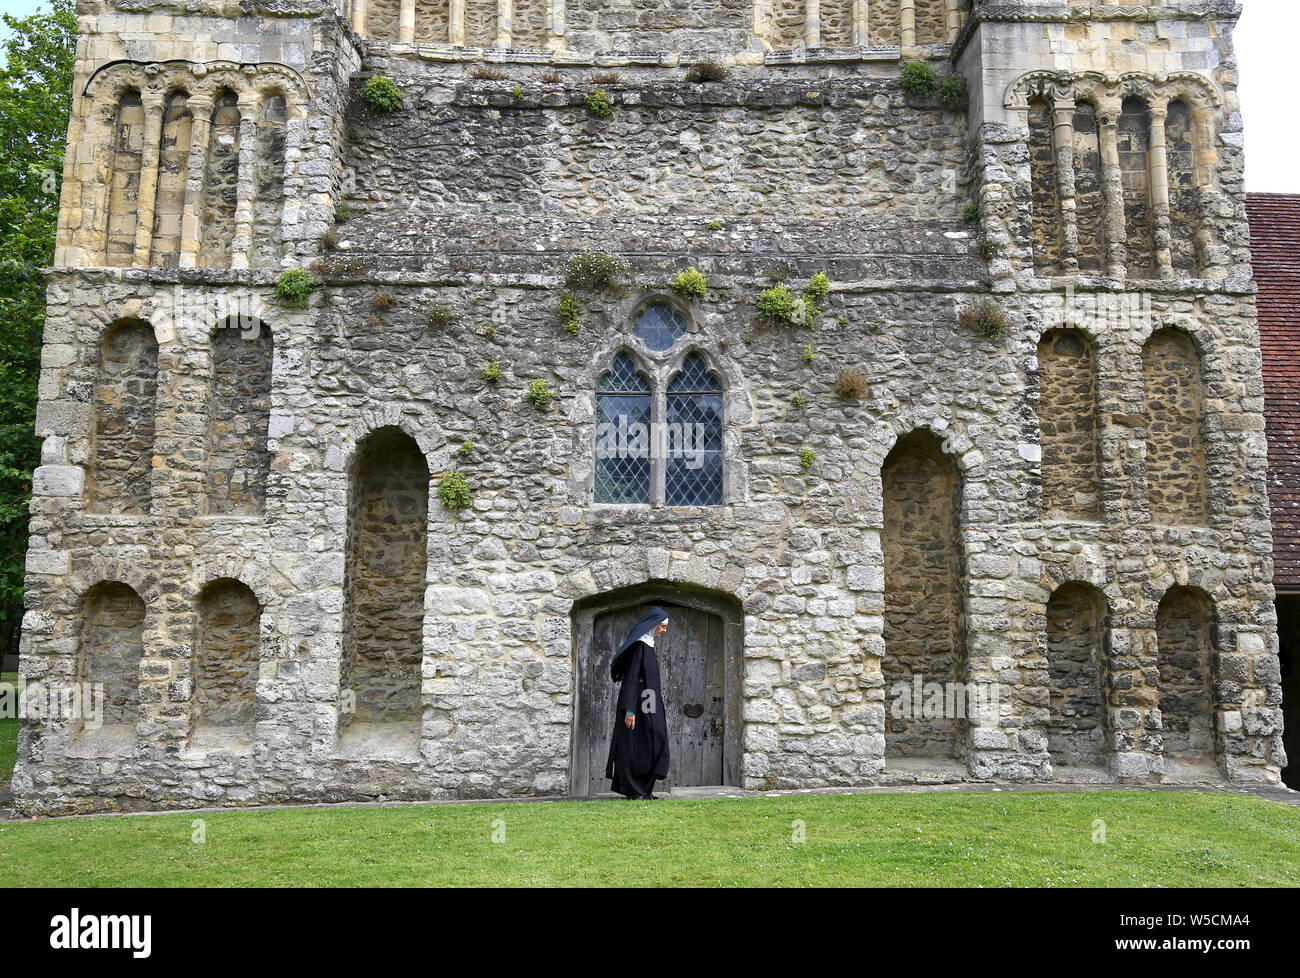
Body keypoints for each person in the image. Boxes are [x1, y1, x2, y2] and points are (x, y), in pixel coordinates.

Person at [605, 607, 670, 800]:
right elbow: (631, 680)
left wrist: (650, 709)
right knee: (634, 745)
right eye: (662, 626)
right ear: (652, 625)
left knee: (654, 739)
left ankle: (645, 789)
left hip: (648, 702)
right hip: (637, 705)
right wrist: (630, 710)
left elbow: (647, 683)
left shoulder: (648, 646)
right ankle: (635, 790)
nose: (664, 631)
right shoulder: (639, 647)